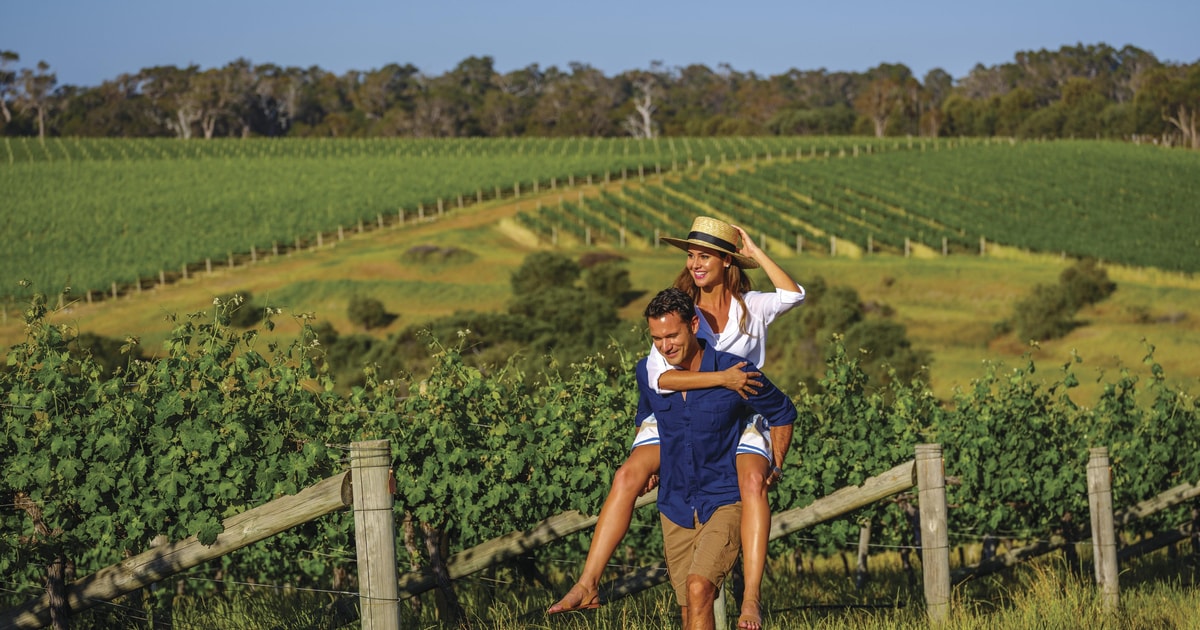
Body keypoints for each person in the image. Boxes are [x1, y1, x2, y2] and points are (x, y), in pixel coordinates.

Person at [549, 217, 804, 630]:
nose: (694, 264)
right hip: (680, 404)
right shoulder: (679, 315)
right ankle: (588, 582)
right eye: (690, 255)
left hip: (739, 407)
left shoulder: (750, 307)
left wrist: (754, 252)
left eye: (704, 256)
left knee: (753, 482)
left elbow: (793, 295)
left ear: (726, 261)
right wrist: (718, 381)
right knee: (629, 474)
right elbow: (658, 381)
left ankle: (752, 600)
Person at [638, 287, 798, 630]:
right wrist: (648, 465)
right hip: (675, 504)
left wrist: (777, 462)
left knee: (699, 588)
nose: (665, 346)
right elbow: (646, 417)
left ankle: (751, 599)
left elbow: (783, 411)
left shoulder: (736, 372)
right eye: (657, 338)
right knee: (689, 608)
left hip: (724, 498)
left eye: (672, 335)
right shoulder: (649, 375)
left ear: (694, 325)